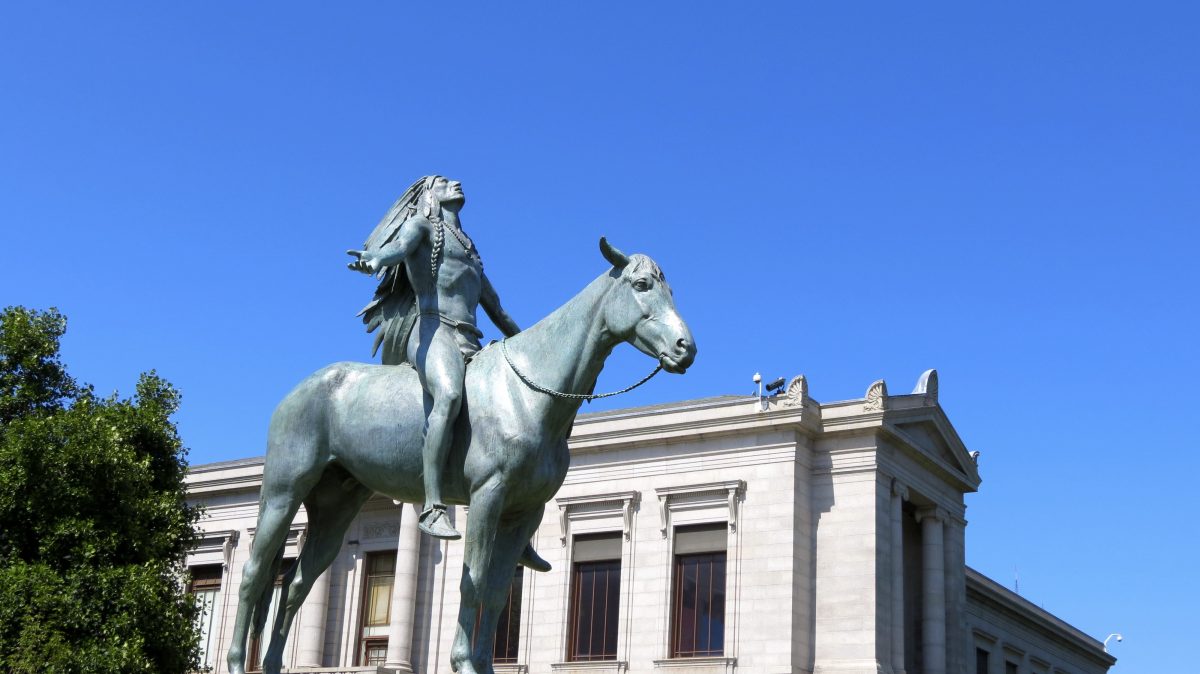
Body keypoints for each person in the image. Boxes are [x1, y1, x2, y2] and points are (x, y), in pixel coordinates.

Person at [347, 177, 549, 570]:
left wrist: (535, 349)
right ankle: (433, 503)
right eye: (442, 182)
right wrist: (374, 260)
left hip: (471, 340)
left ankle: (516, 532)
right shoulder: (422, 227)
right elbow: (397, 251)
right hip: (432, 332)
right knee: (450, 395)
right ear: (430, 195)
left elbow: (498, 310)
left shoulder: (471, 253)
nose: (453, 182)